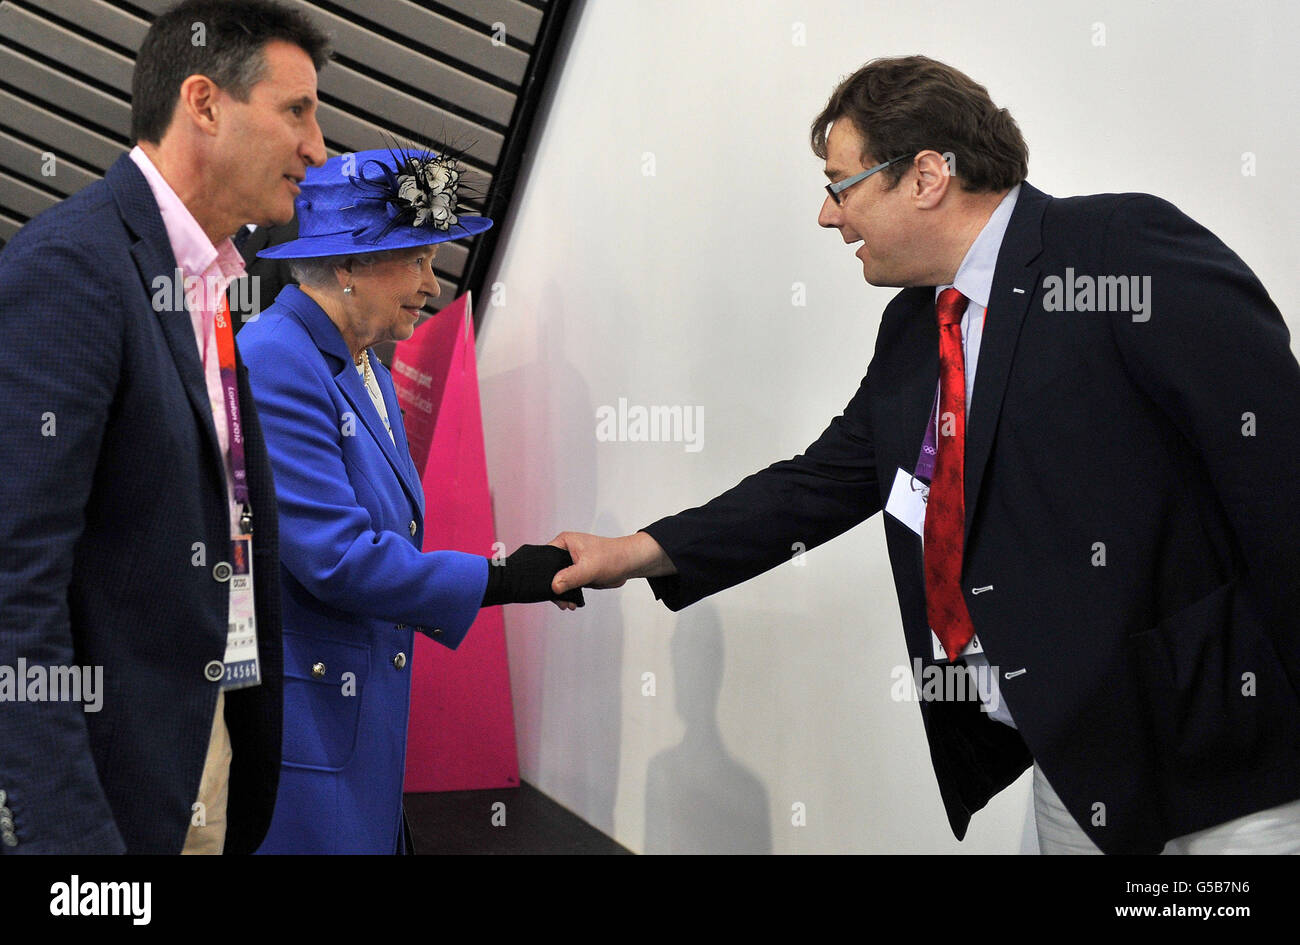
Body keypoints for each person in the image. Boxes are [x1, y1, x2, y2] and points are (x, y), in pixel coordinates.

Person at [549, 55, 1300, 854]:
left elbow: (1277, 465)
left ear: (927, 175)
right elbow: (823, 482)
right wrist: (634, 553)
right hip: (1076, 769)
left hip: (1233, 771)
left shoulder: (1117, 247)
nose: (828, 216)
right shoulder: (915, 328)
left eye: (840, 184)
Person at [0, 0, 331, 853]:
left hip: (197, 752)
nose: (316, 148)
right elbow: (13, 585)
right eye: (296, 111)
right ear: (205, 101)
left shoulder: (211, 279)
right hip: (104, 797)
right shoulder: (74, 266)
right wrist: (68, 839)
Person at [238, 147, 581, 854]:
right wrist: (505, 577)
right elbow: (337, 558)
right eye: (417, 258)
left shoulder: (358, 356)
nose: (433, 282)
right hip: (309, 742)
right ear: (346, 266)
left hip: (357, 736)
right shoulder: (276, 356)